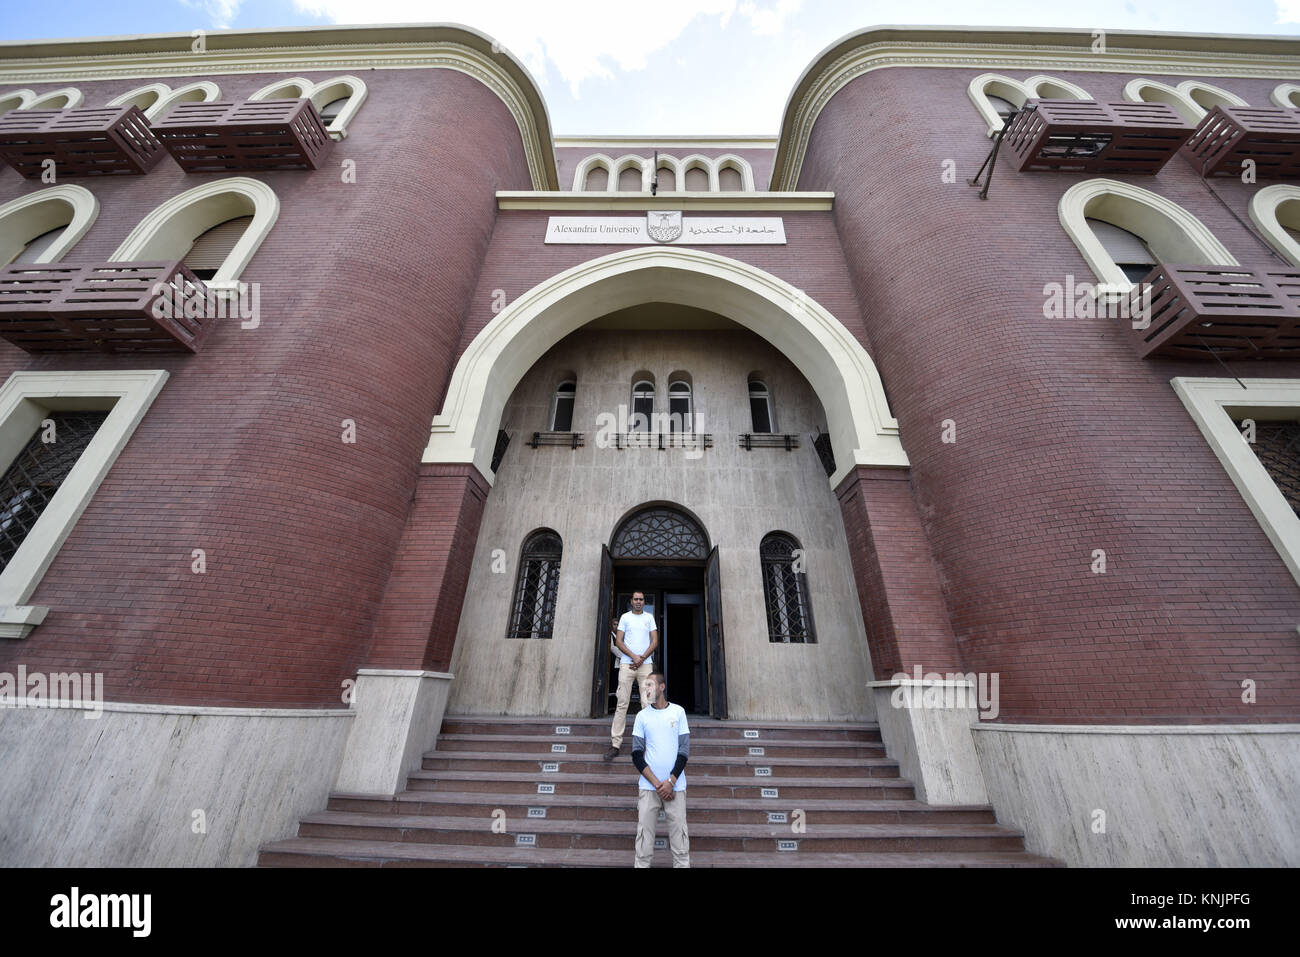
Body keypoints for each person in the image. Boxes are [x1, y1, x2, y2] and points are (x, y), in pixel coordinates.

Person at [631, 671, 689, 868]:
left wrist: (671, 782)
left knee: (680, 845)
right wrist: (658, 784)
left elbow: (684, 751)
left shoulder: (678, 712)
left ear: (662, 687)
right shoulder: (641, 716)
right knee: (643, 844)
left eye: (650, 685)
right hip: (649, 789)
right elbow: (636, 755)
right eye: (645, 686)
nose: (646, 689)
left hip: (676, 787)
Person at [604, 591, 658, 761]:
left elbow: (655, 641)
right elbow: (619, 641)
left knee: (648, 703)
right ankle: (615, 744)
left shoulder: (649, 617)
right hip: (627, 663)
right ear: (631, 601)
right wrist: (634, 657)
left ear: (644, 601)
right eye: (636, 599)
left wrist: (641, 658)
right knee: (622, 703)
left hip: (645, 664)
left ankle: (649, 743)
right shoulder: (625, 617)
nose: (638, 601)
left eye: (641, 599)